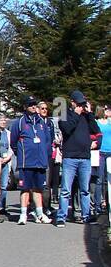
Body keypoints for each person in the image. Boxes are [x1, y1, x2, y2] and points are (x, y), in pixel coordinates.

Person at [56, 90, 99, 226]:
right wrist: (76, 114)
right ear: (72, 103)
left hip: (85, 157)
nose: (81, 106)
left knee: (85, 190)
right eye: (79, 103)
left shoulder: (86, 116)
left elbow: (95, 130)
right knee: (65, 190)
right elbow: (66, 129)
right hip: (70, 157)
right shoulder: (65, 114)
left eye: (83, 104)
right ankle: (61, 217)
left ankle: (86, 215)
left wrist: (90, 113)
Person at [10, 97, 53, 225]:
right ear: (25, 107)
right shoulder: (19, 122)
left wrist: (45, 155)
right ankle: (23, 214)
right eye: (30, 105)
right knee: (25, 188)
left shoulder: (41, 122)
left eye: (34, 104)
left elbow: (47, 140)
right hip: (26, 162)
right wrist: (21, 154)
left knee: (38, 188)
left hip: (40, 161)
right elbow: (13, 142)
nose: (33, 107)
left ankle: (40, 213)